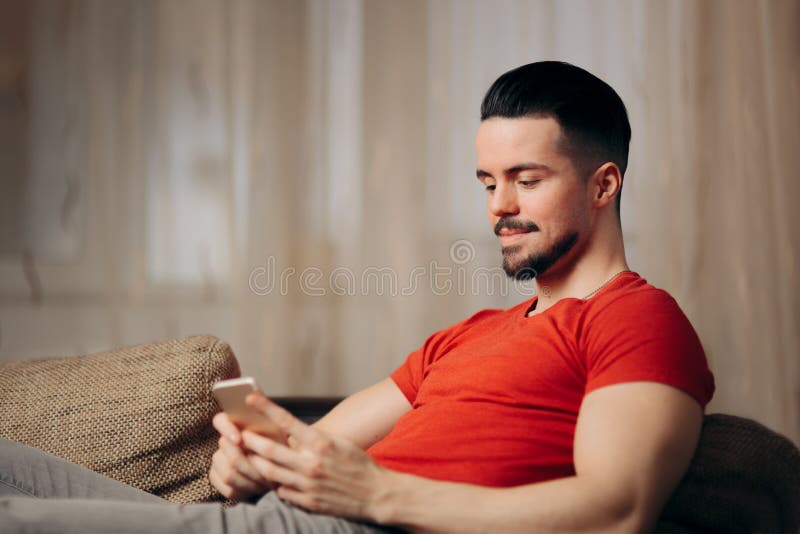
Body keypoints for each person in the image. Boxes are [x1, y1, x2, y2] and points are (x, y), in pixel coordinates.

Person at [1, 61, 714, 533]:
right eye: (486, 182)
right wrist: (251, 462)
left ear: (603, 185)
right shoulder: (470, 334)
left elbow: (618, 510)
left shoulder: (638, 318)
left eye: (527, 180)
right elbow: (321, 445)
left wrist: (376, 495)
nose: (500, 205)